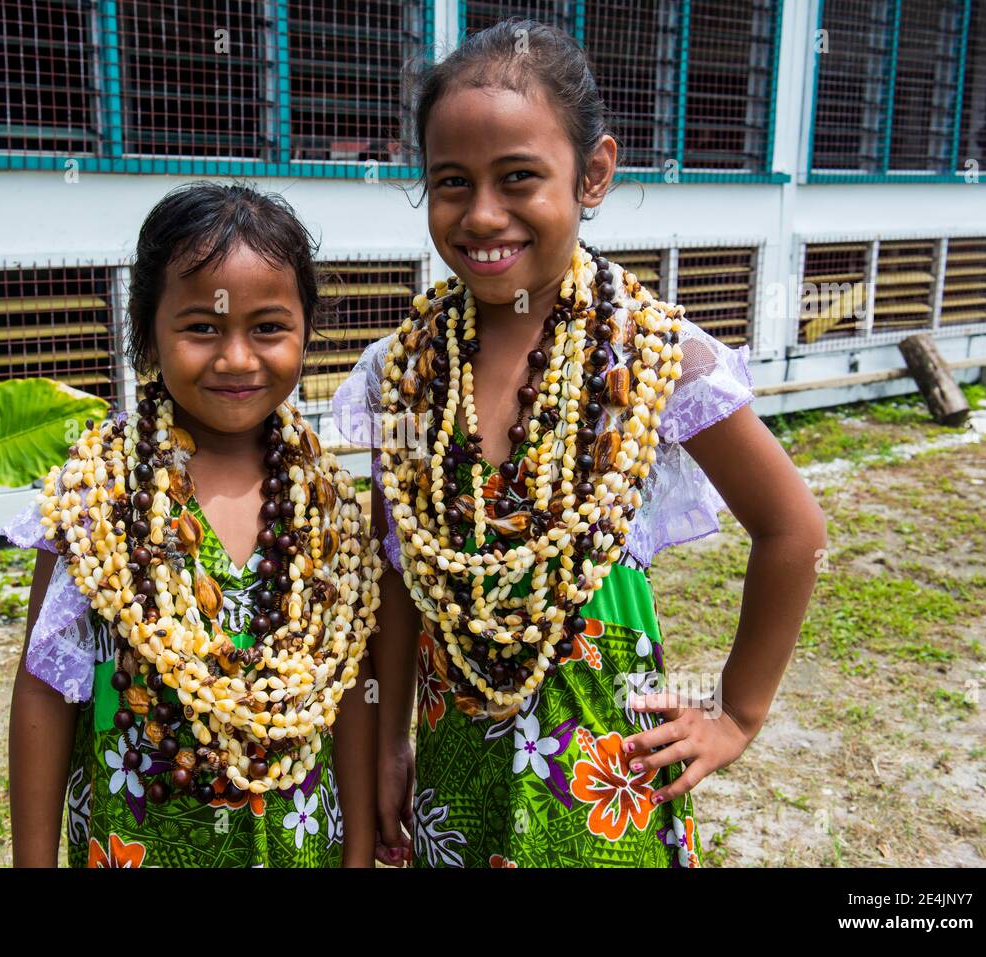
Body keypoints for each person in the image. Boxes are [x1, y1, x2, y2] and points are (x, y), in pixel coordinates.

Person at [332, 19, 826, 868]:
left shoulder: (654, 356)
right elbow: (396, 563)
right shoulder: (398, 375)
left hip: (610, 772)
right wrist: (387, 744)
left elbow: (793, 531)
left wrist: (737, 712)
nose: (483, 213)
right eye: (451, 182)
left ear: (592, 173)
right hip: (456, 765)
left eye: (519, 177)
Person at [5, 182, 381, 867]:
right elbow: (44, 686)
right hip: (138, 843)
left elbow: (350, 686)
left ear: (305, 331)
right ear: (147, 335)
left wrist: (357, 848)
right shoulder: (96, 500)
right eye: (203, 327)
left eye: (267, 327)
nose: (237, 358)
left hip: (301, 844)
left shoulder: (329, 506)